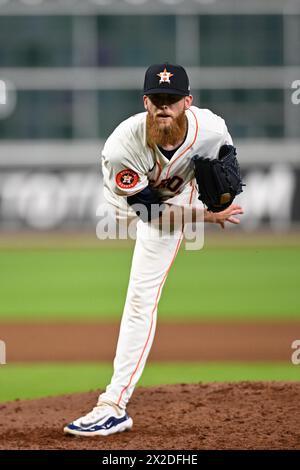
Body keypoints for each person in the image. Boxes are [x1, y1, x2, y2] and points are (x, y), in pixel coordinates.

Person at [64, 63, 244, 437]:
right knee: (144, 219)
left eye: (173, 100)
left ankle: (113, 405)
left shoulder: (211, 129)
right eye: (158, 99)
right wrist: (208, 217)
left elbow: (226, 163)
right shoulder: (121, 147)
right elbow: (150, 213)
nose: (165, 107)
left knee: (140, 300)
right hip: (124, 203)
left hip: (177, 197)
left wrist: (219, 196)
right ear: (146, 102)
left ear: (187, 102)